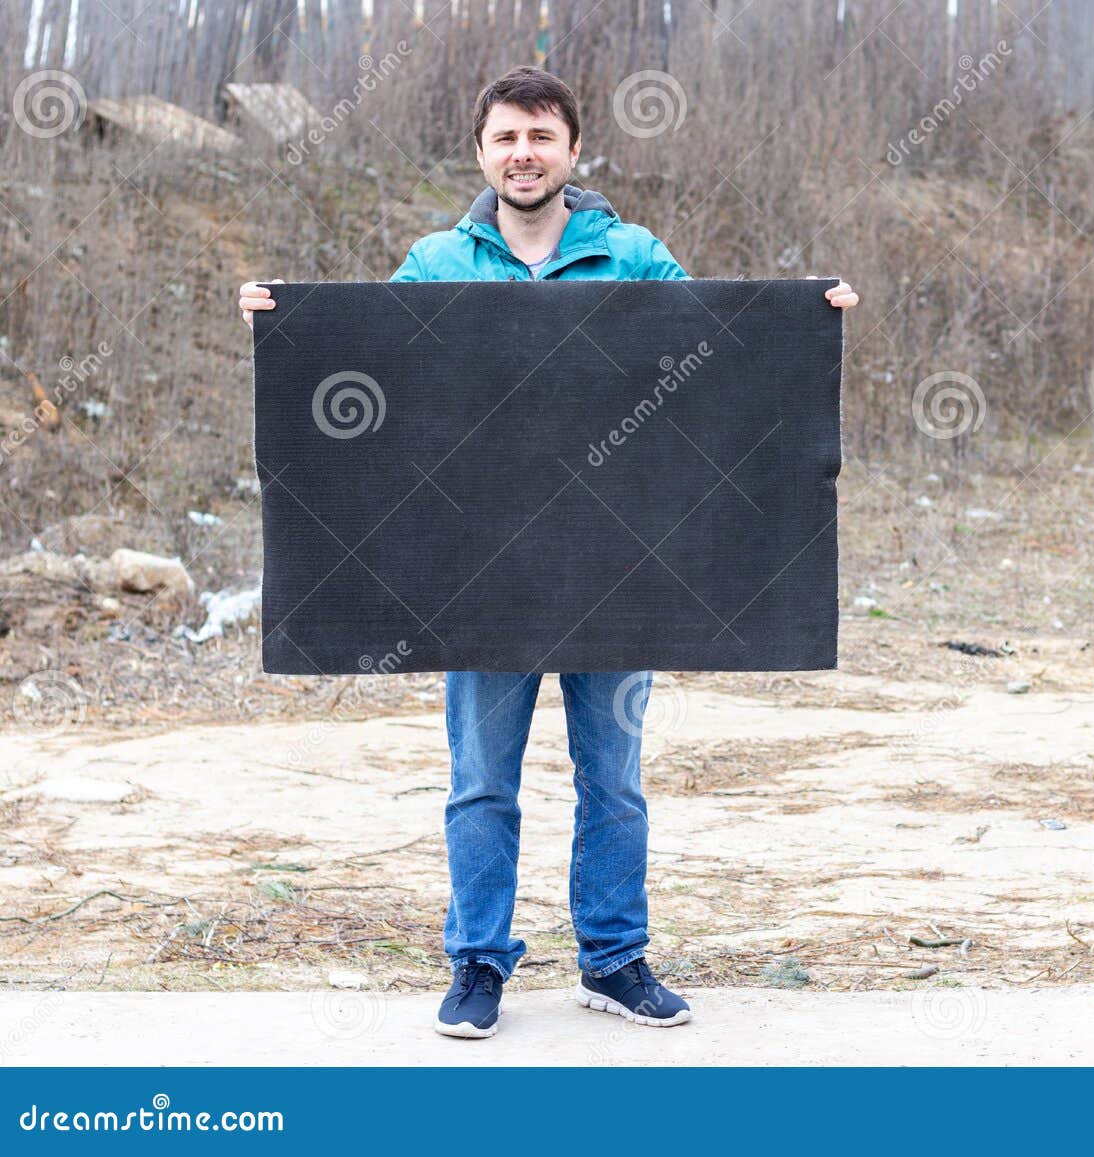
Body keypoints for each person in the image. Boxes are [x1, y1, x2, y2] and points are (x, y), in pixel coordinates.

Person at [238, 66, 858, 1039]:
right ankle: (477, 961)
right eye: (505, 138)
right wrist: (284, 329)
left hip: (618, 571)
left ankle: (613, 958)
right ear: (481, 153)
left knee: (611, 774)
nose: (522, 153)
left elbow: (721, 358)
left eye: (540, 136)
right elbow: (368, 365)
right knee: (482, 778)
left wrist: (809, 319)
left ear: (571, 149)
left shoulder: (630, 255)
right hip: (480, 578)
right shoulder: (440, 262)